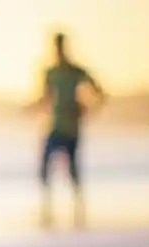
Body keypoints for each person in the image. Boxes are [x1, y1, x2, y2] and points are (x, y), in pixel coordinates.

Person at [30, 32, 105, 228]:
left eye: (60, 46)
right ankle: (46, 210)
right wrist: (30, 108)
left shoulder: (76, 71)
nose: (58, 50)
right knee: (45, 169)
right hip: (53, 127)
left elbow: (100, 93)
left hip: (71, 128)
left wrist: (86, 109)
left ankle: (78, 212)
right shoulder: (49, 72)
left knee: (73, 171)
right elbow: (45, 97)